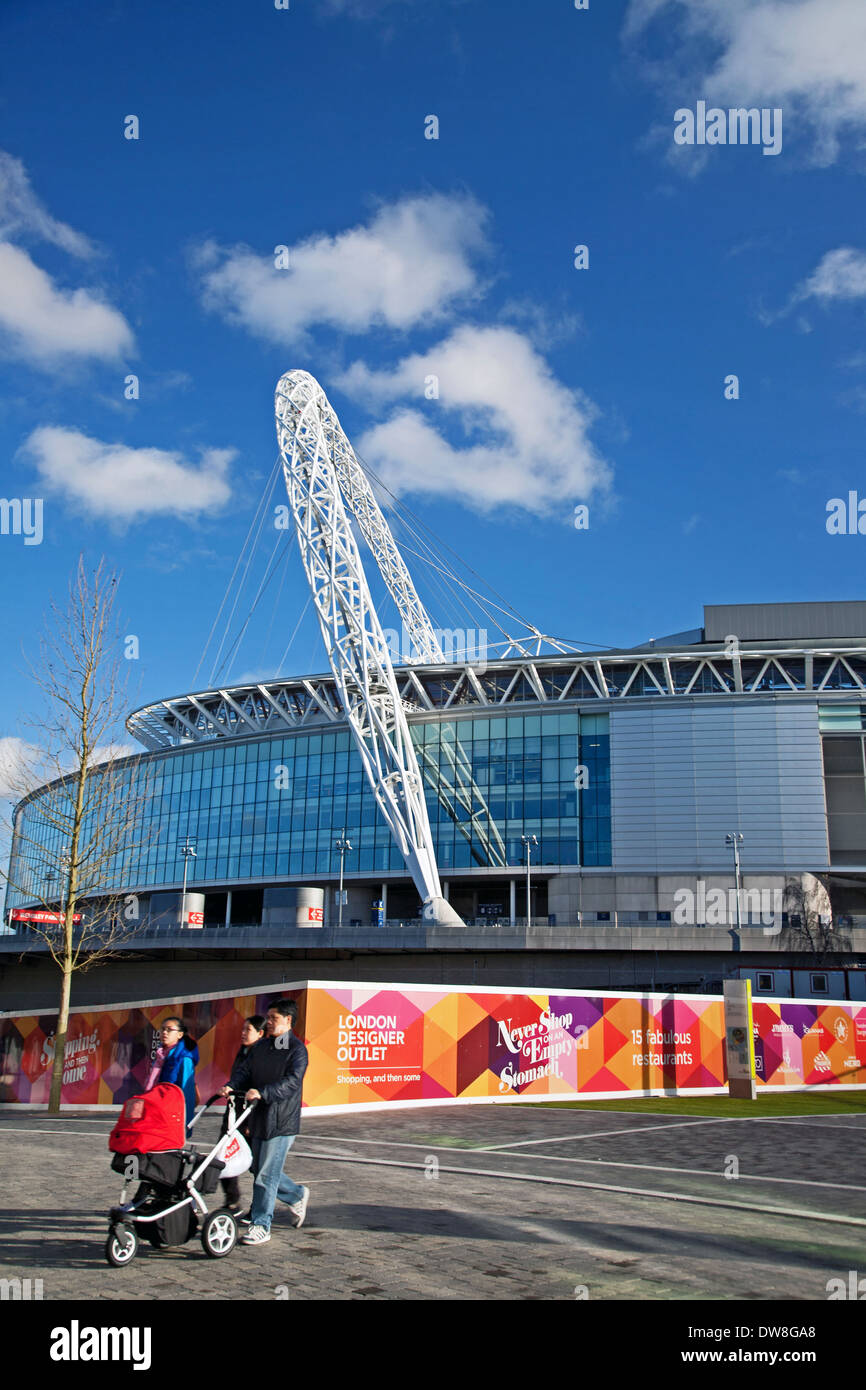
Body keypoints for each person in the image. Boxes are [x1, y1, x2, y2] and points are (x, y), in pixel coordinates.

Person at [222, 998, 309, 1245]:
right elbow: (245, 1072)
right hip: (257, 1117)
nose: (268, 1023)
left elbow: (292, 1083)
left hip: (281, 1122)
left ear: (288, 1020)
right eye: (268, 1018)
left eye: (274, 1018)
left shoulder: (297, 1050)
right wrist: (232, 1085)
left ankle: (262, 1224)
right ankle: (296, 1194)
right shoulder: (262, 1047)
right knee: (256, 1167)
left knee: (265, 1175)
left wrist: (264, 1093)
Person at [219, 1014, 265, 1213]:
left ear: (260, 1033)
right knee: (222, 1156)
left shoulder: (261, 1056)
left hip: (247, 1116)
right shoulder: (243, 1051)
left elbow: (255, 1087)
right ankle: (233, 1200)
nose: (243, 1033)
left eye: (248, 1030)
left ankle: (292, 1194)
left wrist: (248, 1122)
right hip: (232, 1113)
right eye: (243, 1029)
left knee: (258, 1168)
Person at [145, 1015, 199, 1128]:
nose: (164, 1032)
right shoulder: (161, 1056)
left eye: (169, 1030)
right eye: (163, 1029)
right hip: (157, 1109)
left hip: (172, 1117)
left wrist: (184, 1123)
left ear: (180, 1034)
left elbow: (187, 1092)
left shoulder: (184, 1059)